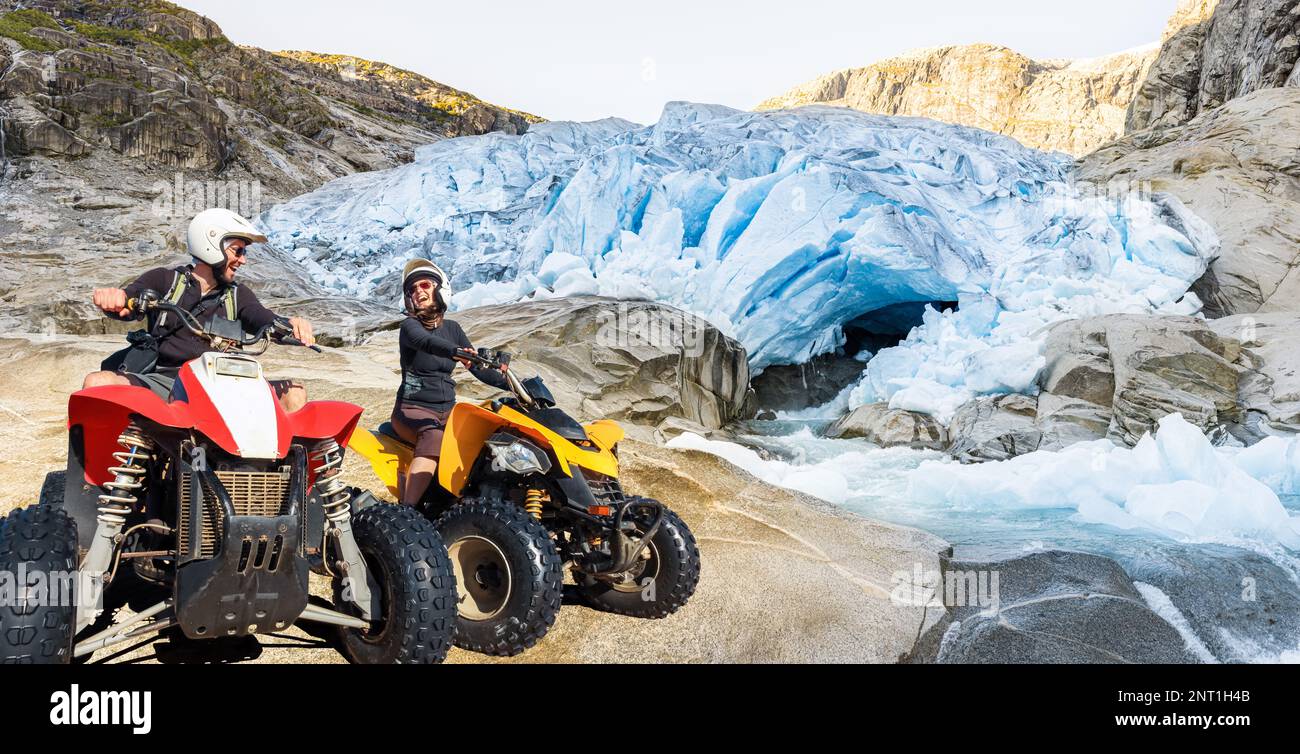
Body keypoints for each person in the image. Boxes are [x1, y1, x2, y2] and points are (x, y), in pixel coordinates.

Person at [82, 208, 315, 412]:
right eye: (238, 251)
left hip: (221, 384)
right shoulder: (165, 280)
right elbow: (131, 299)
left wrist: (289, 324)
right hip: (166, 381)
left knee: (294, 394)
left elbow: (260, 316)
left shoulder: (237, 295)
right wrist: (117, 299)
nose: (243, 260)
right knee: (98, 383)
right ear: (212, 245)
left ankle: (284, 462)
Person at [391, 258, 509, 506]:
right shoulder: (409, 326)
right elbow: (426, 342)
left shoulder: (453, 328)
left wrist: (509, 381)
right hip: (412, 411)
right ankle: (407, 509)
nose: (418, 292)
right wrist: (456, 351)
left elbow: (477, 368)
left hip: (448, 412)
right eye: (412, 290)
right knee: (433, 436)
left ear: (440, 289)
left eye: (424, 285)